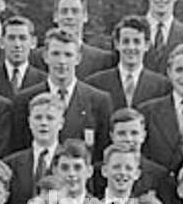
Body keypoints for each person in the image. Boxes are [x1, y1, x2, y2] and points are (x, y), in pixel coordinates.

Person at [13, 27, 113, 158]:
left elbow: (102, 152)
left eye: (68, 55)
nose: (61, 61)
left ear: (78, 58)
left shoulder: (99, 100)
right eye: (55, 54)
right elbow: (19, 149)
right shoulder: (25, 99)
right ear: (45, 57)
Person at [27, 0, 117, 79]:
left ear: (85, 16)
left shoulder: (104, 61)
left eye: (75, 11)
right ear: (55, 17)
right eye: (64, 11)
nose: (69, 17)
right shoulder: (35, 58)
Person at [86, 16, 170, 111]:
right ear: (117, 44)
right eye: (126, 41)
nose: (131, 47)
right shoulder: (96, 84)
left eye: (137, 42)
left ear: (146, 45)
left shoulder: (162, 86)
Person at [5, 92, 63, 204]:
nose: (43, 123)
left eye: (50, 118)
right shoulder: (11, 164)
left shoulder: (70, 163)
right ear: (29, 122)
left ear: (61, 123)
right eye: (38, 118)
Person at [0, 15, 46, 100]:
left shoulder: (43, 80)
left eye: (23, 38)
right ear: (1, 42)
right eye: (11, 38)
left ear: (33, 42)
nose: (17, 44)